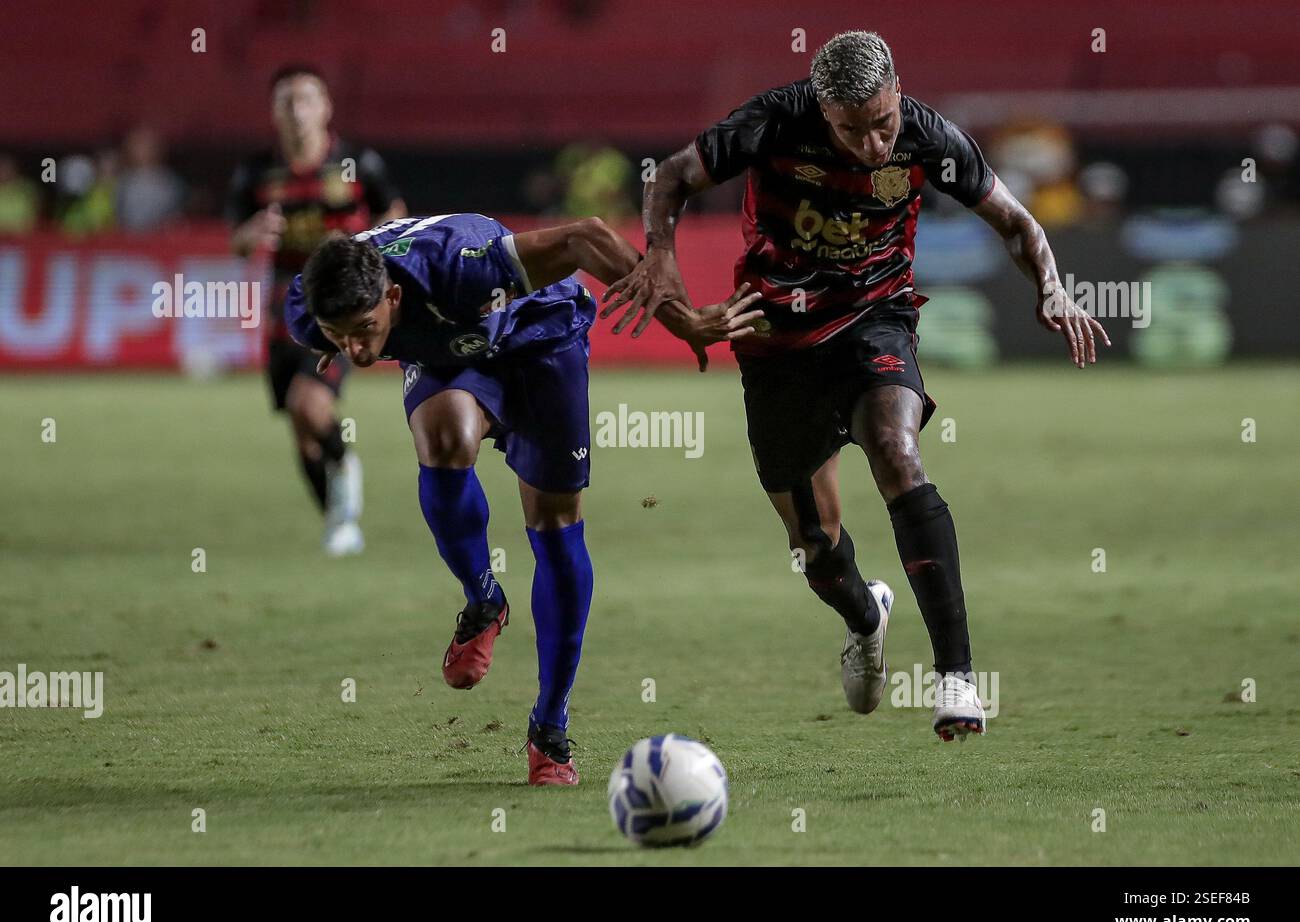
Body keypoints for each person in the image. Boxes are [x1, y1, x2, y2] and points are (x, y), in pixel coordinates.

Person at [604, 30, 1110, 740]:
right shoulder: (773, 121)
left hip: (875, 317)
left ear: (898, 94)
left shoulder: (930, 137)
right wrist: (659, 254)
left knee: (896, 454)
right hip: (774, 335)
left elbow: (1016, 222)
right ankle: (865, 617)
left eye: (882, 123)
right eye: (851, 129)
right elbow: (671, 178)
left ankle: (957, 679)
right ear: (822, 110)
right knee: (813, 541)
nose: (873, 144)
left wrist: (1053, 288)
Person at [285, 213, 761, 784]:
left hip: (541, 335)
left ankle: (549, 725)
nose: (356, 350)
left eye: (364, 329)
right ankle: (484, 600)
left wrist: (682, 320)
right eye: (338, 336)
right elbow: (339, 320)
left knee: (555, 527)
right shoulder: (311, 307)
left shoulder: (463, 268)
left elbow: (587, 237)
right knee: (444, 437)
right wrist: (338, 337)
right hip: (456, 351)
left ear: (391, 294)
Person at [227, 65, 407, 556]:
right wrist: (252, 233)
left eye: (306, 99)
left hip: (339, 307)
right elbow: (238, 242)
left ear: (326, 107)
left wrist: (362, 248)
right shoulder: (256, 172)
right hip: (284, 310)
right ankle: (337, 518)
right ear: (273, 112)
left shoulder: (356, 163)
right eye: (286, 100)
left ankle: (346, 472)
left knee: (311, 406)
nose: (296, 110)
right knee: (301, 429)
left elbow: (394, 213)